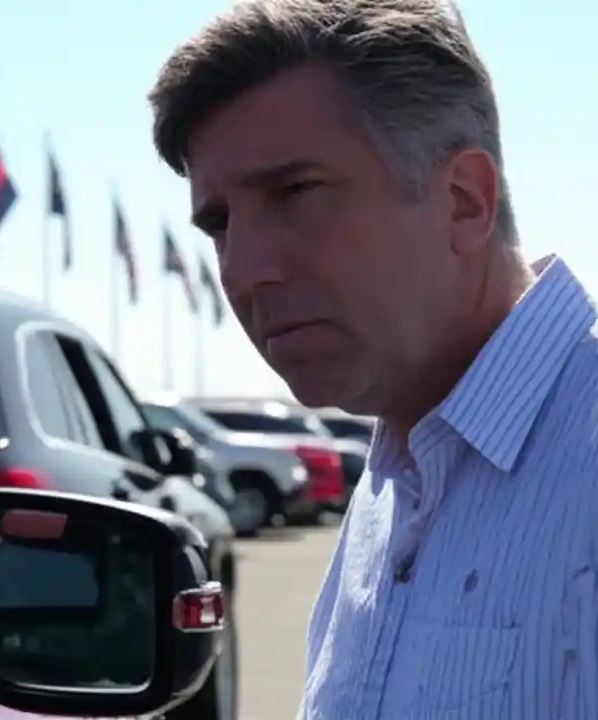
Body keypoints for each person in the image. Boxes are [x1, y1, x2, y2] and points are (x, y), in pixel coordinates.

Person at [147, 1, 598, 717]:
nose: (242, 270)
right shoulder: (395, 478)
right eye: (221, 224)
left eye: (296, 193)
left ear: (464, 202)